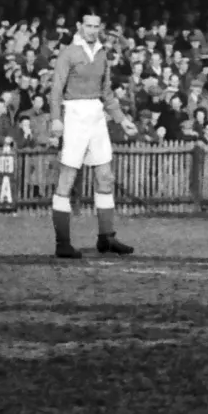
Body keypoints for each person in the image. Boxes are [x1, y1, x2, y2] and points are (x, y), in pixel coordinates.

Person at [48, 13, 137, 258]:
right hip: (75, 114)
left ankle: (106, 237)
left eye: (96, 27)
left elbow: (106, 91)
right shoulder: (69, 53)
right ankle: (62, 243)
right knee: (67, 176)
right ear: (79, 26)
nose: (92, 30)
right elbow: (56, 88)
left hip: (96, 114)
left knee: (105, 175)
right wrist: (56, 118)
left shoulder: (101, 53)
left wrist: (122, 119)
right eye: (88, 26)